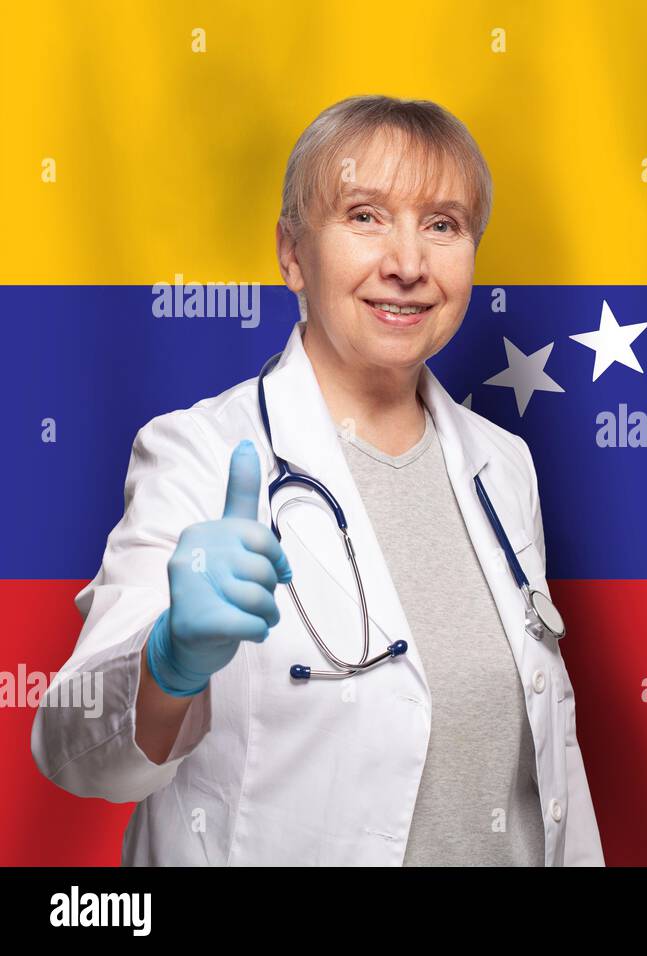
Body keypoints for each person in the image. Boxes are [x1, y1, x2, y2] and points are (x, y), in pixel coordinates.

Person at [30, 94, 604, 866]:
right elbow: (71, 740)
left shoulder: (503, 465)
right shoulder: (197, 453)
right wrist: (166, 664)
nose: (407, 263)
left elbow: (546, 775)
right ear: (292, 254)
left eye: (443, 225)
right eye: (365, 216)